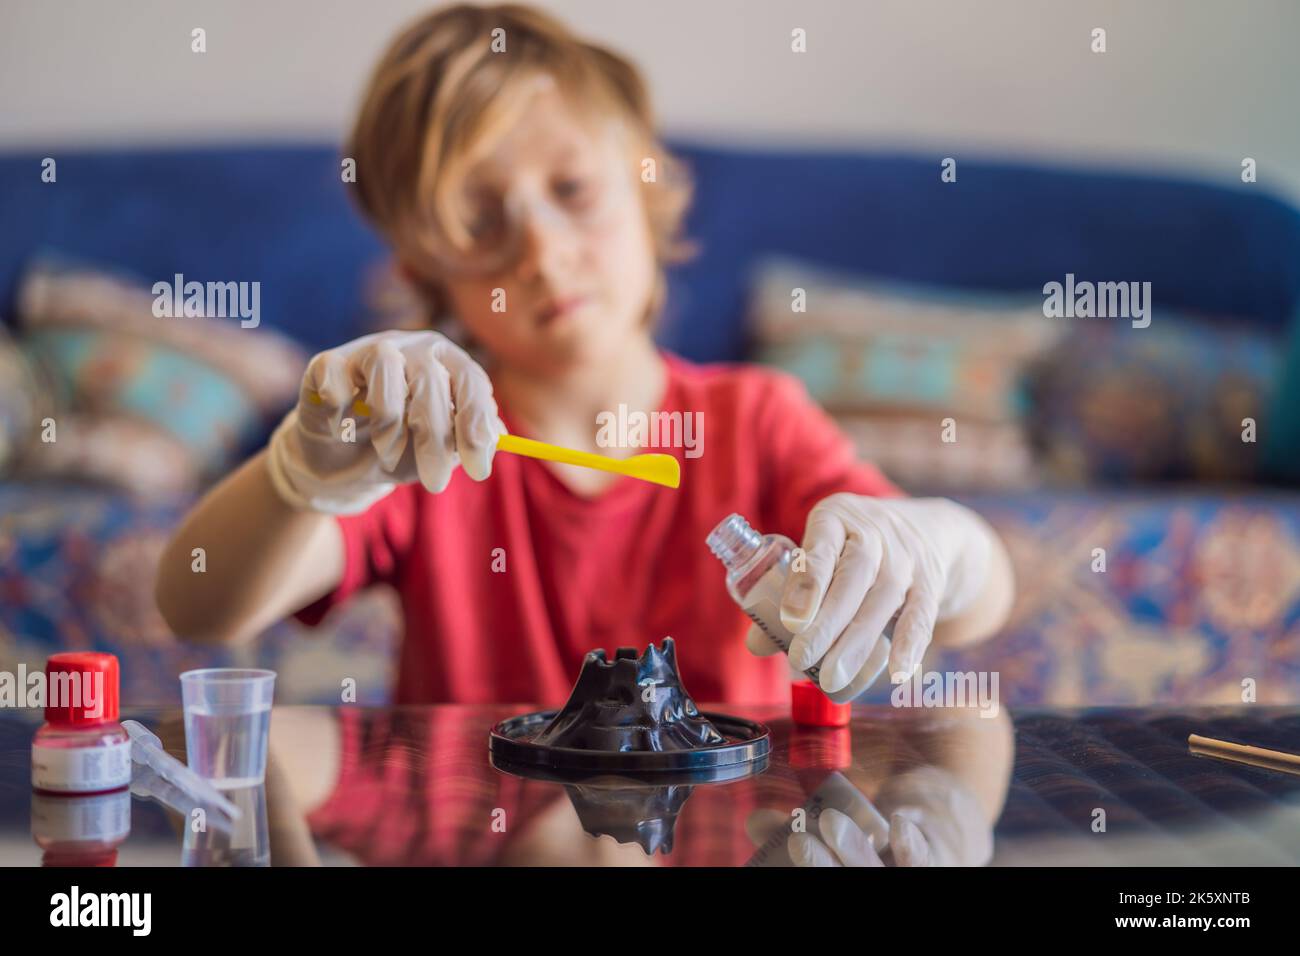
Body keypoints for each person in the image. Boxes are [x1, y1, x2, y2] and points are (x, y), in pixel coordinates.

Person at [155, 3, 1014, 707]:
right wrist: (300, 478)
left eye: (573, 191)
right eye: (480, 225)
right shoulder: (425, 450)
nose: (542, 253)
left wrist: (941, 543)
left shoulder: (755, 420)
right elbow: (198, 603)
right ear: (430, 279)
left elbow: (978, 601)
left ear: (648, 191)